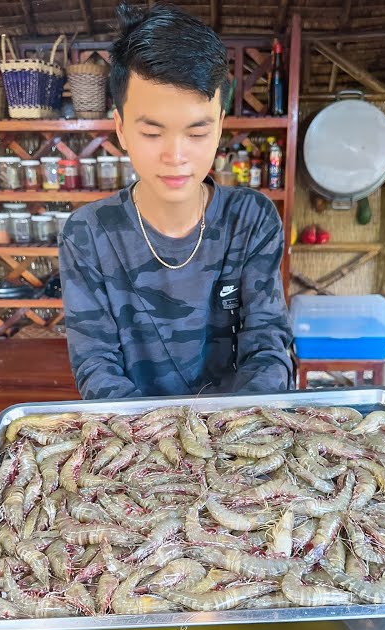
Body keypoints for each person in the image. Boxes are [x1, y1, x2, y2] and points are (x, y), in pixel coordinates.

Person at [60, 2, 293, 399]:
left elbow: (267, 345)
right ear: (121, 129)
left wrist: (238, 435)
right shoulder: (87, 234)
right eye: (152, 133)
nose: (176, 156)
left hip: (239, 436)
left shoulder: (251, 220)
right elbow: (96, 365)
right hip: (136, 441)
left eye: (197, 132)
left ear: (220, 125)